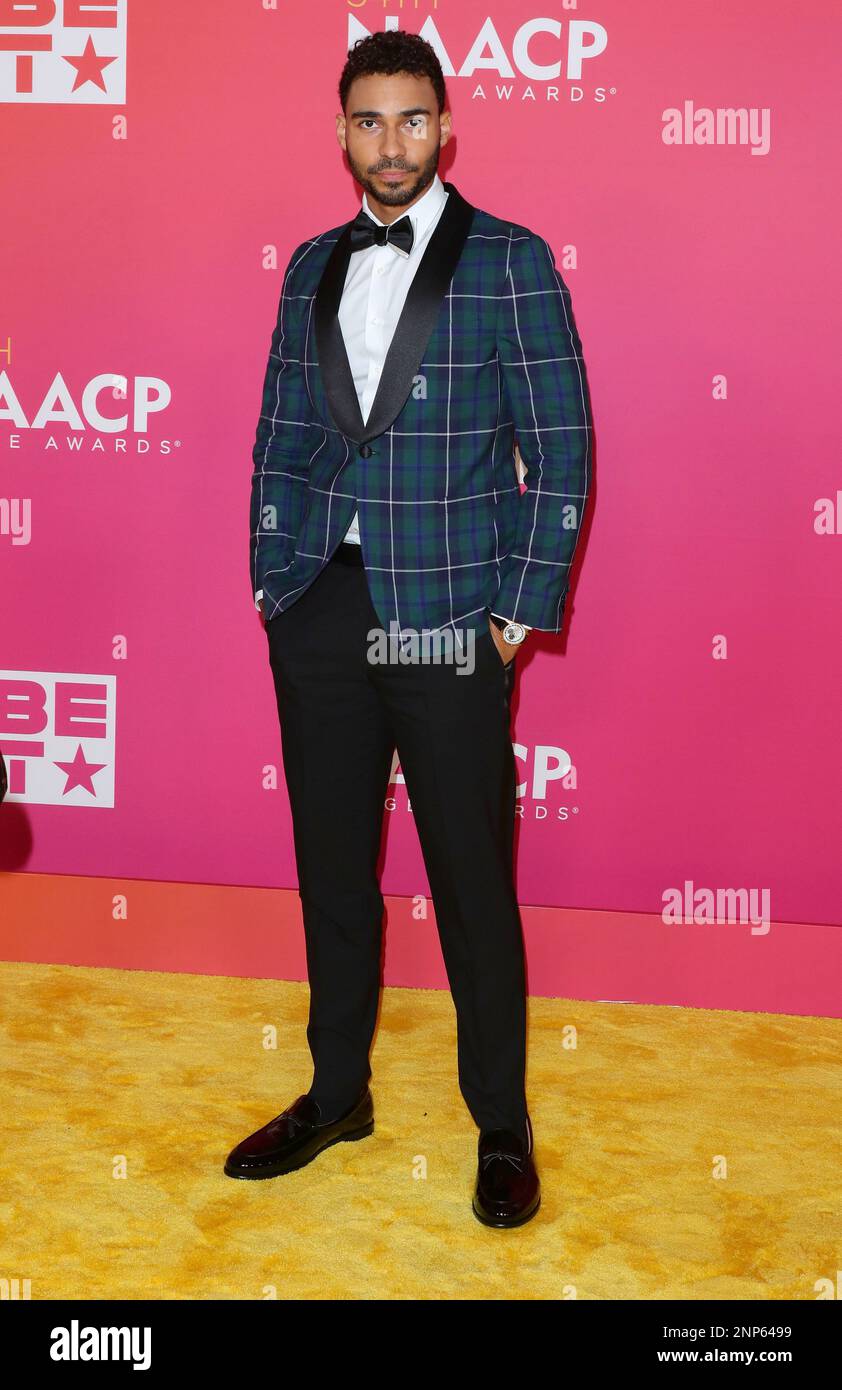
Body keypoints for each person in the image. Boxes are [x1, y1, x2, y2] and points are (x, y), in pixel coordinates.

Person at [225, 30, 593, 1228]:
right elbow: (280, 427)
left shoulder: (513, 262)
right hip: (322, 609)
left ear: (445, 128)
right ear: (342, 134)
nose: (392, 143)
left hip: (448, 620)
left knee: (471, 884)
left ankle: (501, 1124)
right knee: (333, 875)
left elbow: (565, 453)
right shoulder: (309, 266)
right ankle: (338, 1092)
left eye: (412, 120)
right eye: (369, 122)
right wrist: (273, 581)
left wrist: (516, 617)